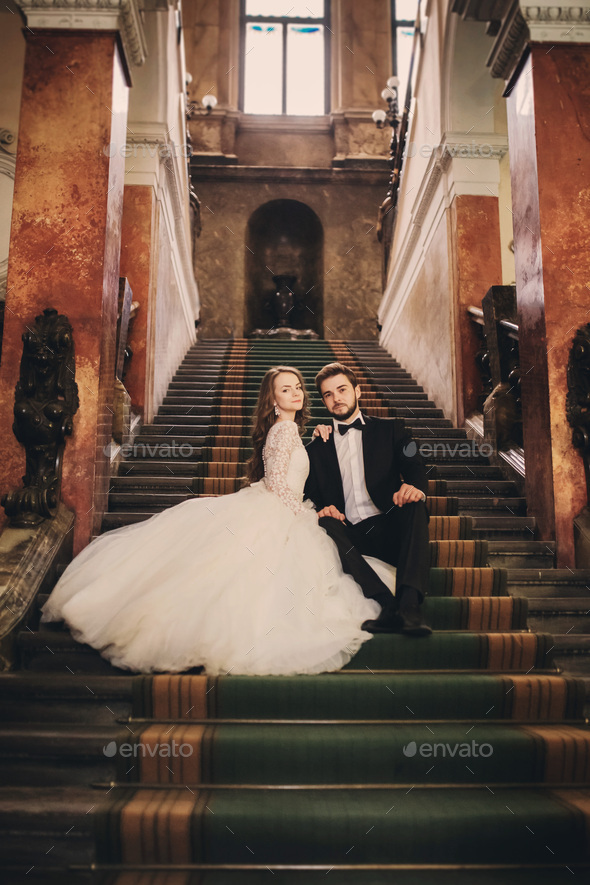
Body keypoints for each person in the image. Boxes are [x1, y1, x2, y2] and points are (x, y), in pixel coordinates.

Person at [41, 366, 379, 675]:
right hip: (279, 508)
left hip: (276, 504)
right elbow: (278, 483)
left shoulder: (287, 430)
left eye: (297, 387)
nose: (295, 393)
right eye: (285, 389)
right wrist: (303, 514)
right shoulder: (285, 430)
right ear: (273, 400)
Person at [305, 362, 432, 637]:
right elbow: (309, 495)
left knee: (416, 505)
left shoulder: (391, 429)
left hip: (389, 526)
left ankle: (410, 606)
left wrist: (413, 487)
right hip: (350, 535)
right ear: (323, 401)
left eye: (342, 389)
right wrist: (322, 507)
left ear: (358, 391)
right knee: (323, 522)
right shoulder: (315, 447)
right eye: (328, 394)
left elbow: (413, 463)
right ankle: (385, 605)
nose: (336, 398)